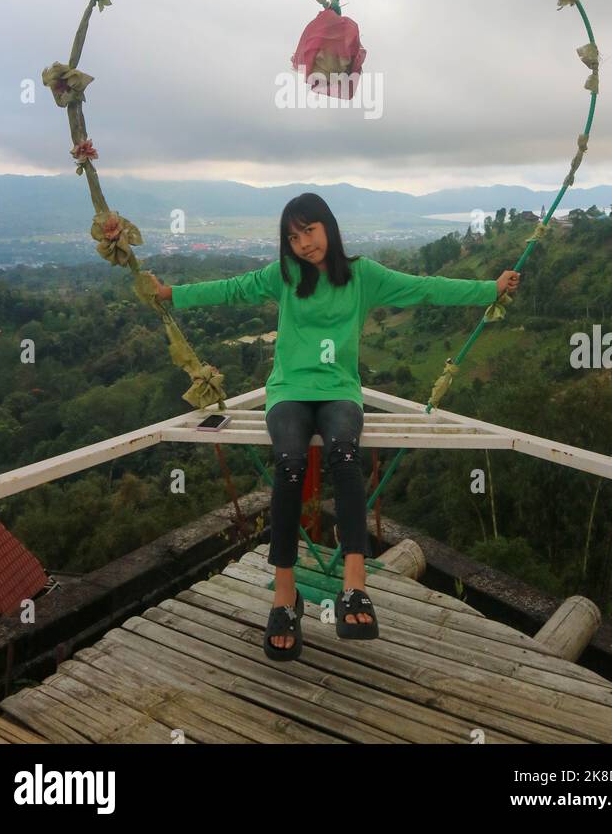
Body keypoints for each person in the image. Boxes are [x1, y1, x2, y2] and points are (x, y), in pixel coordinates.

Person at [146, 192, 521, 661]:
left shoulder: (363, 276)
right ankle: (284, 598)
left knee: (344, 456)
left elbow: (425, 287)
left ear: (329, 227)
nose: (303, 243)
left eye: (310, 230)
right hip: (289, 391)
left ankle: (354, 588)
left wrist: (490, 289)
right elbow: (231, 288)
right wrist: (170, 295)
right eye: (293, 237)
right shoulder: (284, 277)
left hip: (340, 390)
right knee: (289, 466)